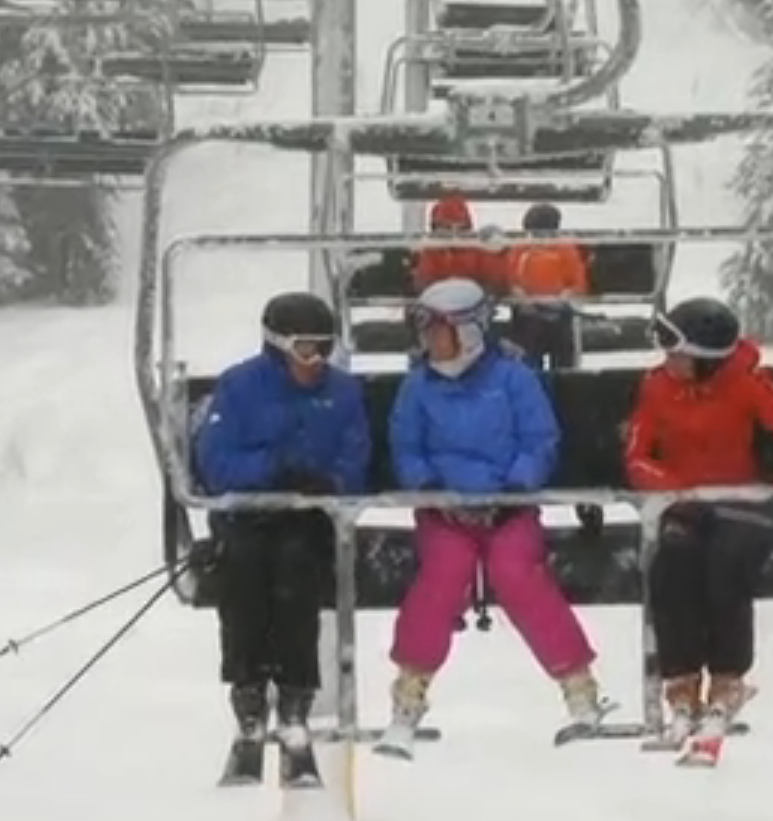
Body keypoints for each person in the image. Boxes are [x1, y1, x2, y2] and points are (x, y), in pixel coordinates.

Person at [379, 276, 609, 751]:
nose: (429, 343)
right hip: (446, 511)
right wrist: (430, 489)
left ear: (468, 332)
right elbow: (407, 446)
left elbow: (538, 439)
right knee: (444, 574)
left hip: (509, 508)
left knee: (518, 574)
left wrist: (515, 490)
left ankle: (578, 686)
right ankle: (409, 692)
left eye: (437, 332)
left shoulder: (512, 380)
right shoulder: (418, 388)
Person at [622, 296, 773, 740]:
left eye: (679, 354)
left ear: (707, 361)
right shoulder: (657, 387)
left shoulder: (747, 385)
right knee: (673, 563)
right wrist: (676, 490)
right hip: (687, 505)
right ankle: (681, 682)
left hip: (739, 503)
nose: (669, 361)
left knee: (726, 564)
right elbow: (637, 455)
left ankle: (728, 678)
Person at [194, 291, 371, 743]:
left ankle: (296, 691)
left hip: (307, 515)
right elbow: (215, 463)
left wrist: (329, 482)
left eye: (324, 349)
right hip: (248, 513)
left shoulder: (342, 393)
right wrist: (272, 469)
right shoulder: (239, 387)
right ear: (277, 346)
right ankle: (248, 687)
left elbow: (356, 456)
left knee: (298, 569)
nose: (315, 362)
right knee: (244, 570)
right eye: (305, 349)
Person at [502, 202, 588, 370]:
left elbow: (578, 283)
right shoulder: (520, 250)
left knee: (563, 349)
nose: (537, 238)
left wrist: (563, 299)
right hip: (529, 314)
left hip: (558, 313)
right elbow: (512, 281)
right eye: (532, 233)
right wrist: (522, 300)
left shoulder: (566, 250)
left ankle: (564, 380)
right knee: (528, 346)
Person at [411, 194, 505, 293]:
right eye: (447, 228)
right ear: (436, 229)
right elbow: (423, 284)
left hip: (472, 304)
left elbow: (494, 281)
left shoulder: (477, 249)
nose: (454, 235)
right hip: (437, 304)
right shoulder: (430, 251)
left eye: (460, 228)